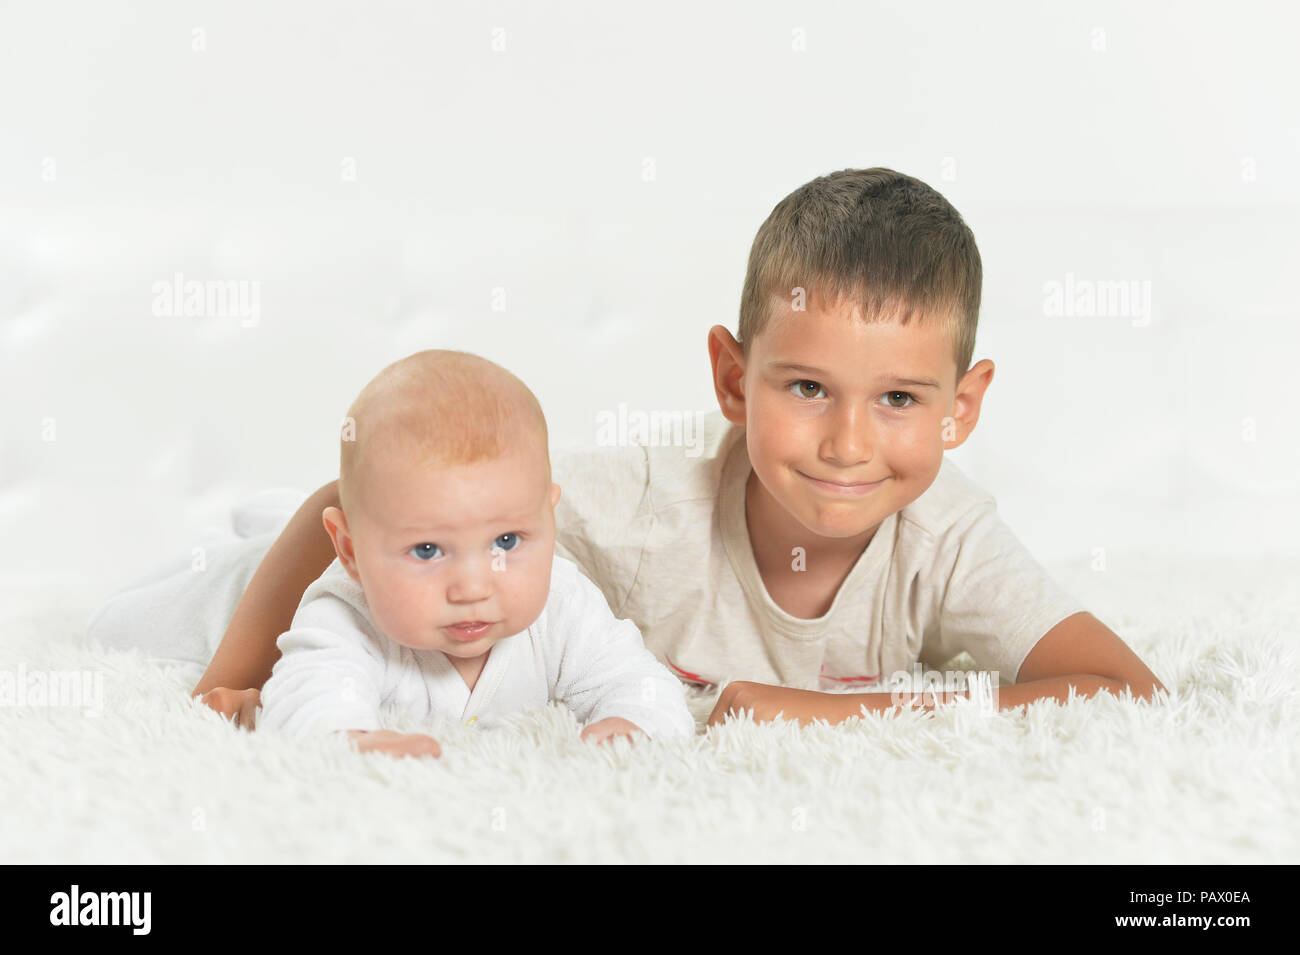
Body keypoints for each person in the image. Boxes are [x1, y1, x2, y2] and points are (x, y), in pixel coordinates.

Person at [119, 167, 1167, 729]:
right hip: (346, 587)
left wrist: (833, 715)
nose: (849, 442)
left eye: (899, 397)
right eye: (805, 387)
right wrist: (233, 672)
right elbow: (342, 514)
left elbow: (1125, 691)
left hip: (461, 622)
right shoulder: (652, 501)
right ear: (730, 379)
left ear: (961, 408)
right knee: (162, 607)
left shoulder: (947, 540)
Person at [90, 351, 695, 756]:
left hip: (344, 532)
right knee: (116, 624)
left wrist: (633, 724)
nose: (473, 585)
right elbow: (307, 698)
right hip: (227, 595)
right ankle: (257, 538)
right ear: (349, 552)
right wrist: (350, 740)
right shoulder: (346, 615)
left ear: (548, 518)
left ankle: (278, 515)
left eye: (506, 542)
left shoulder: (564, 605)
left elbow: (641, 682)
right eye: (429, 549)